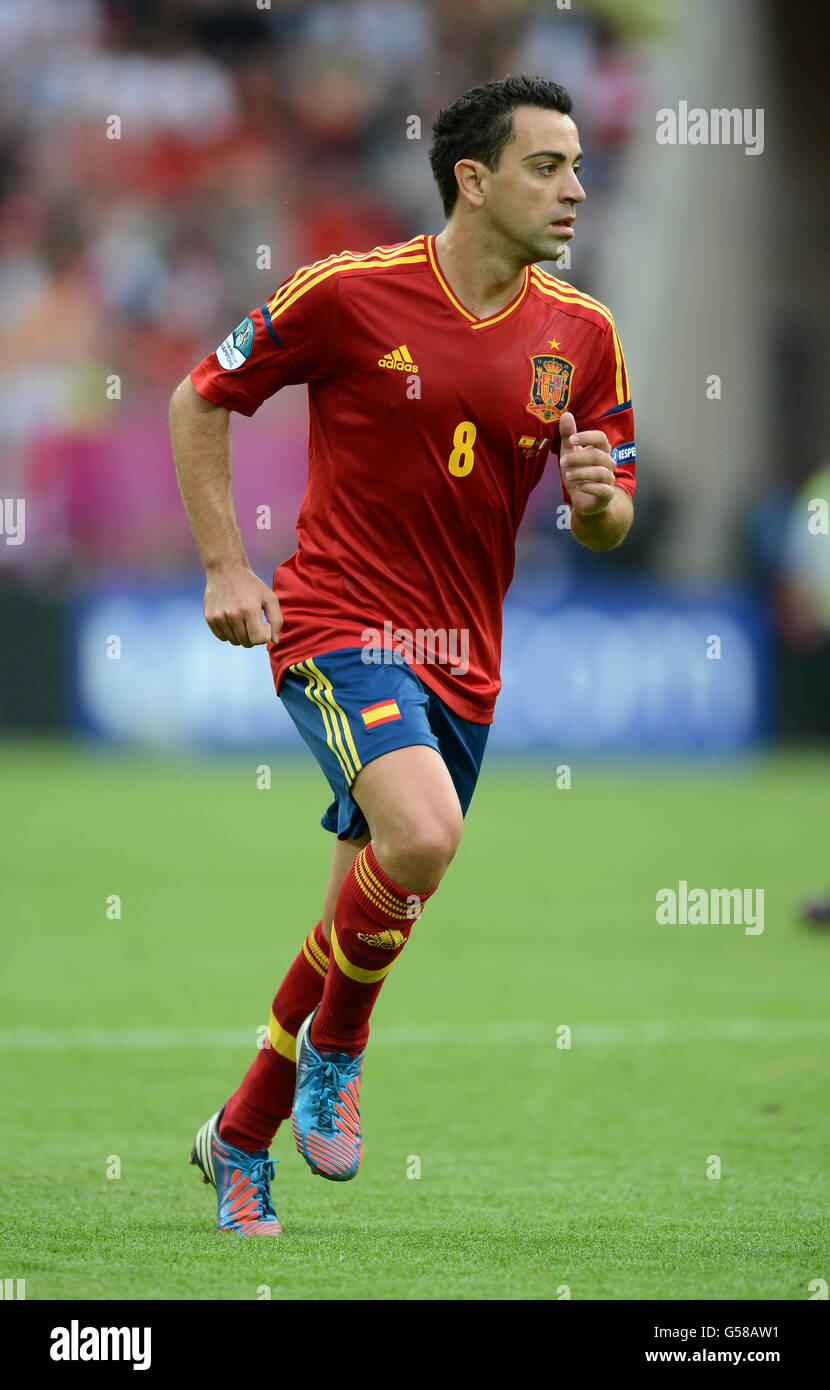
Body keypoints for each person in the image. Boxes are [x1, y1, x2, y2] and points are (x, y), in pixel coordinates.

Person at [169, 74, 637, 1236]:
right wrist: (230, 567)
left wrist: (593, 502)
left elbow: (610, 507)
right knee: (422, 836)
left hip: (464, 660)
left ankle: (238, 1134)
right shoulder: (348, 293)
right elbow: (198, 398)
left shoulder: (582, 333)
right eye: (547, 166)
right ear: (471, 180)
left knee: (359, 917)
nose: (576, 188)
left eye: (578, 164)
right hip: (334, 626)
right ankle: (342, 1046)